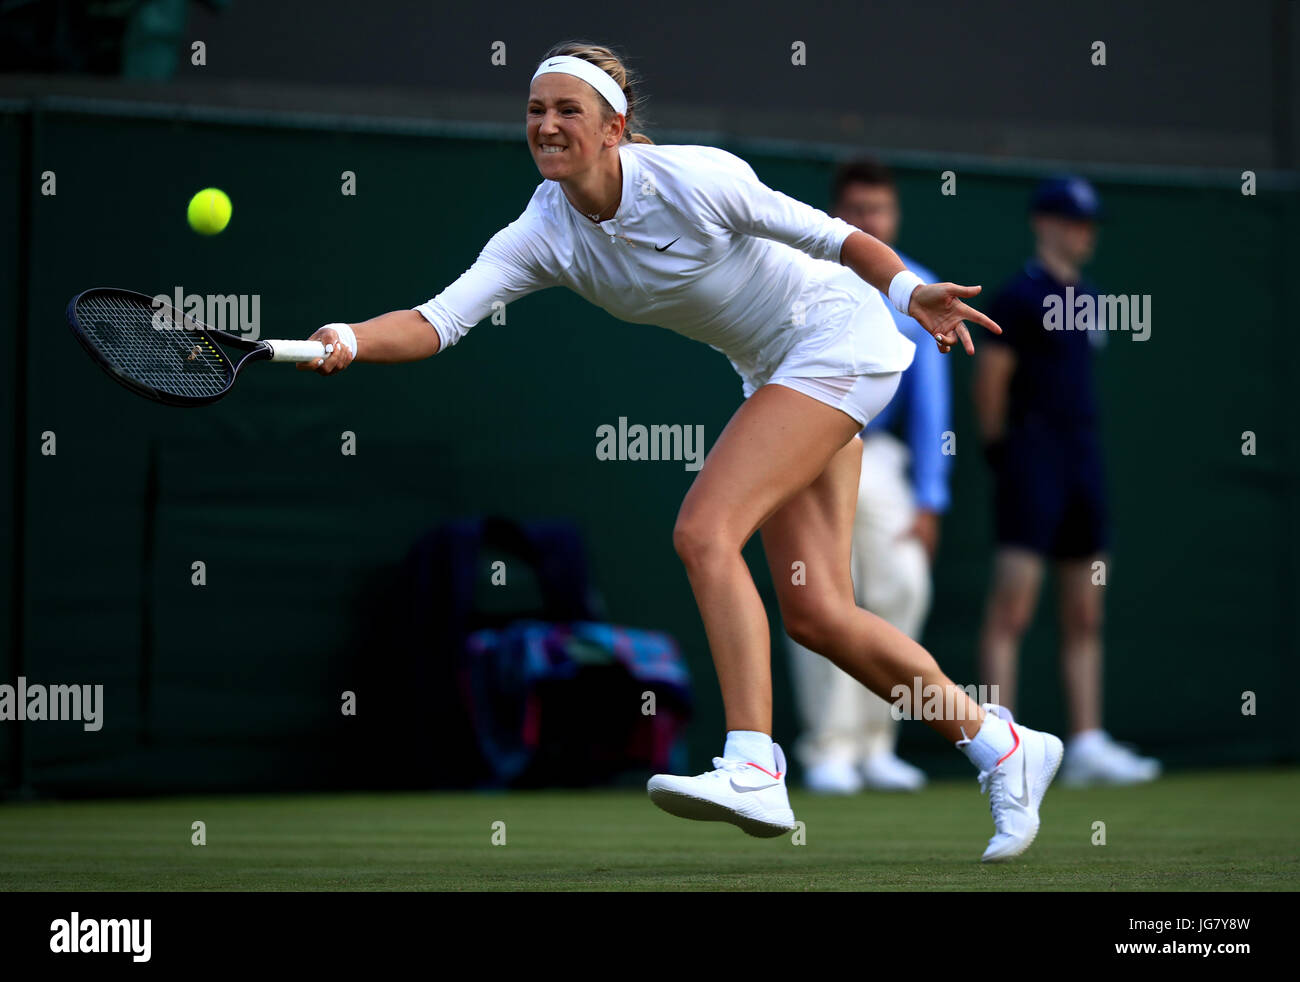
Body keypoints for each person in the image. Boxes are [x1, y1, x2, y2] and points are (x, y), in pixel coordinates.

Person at [302, 40, 1062, 861]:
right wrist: (348, 337)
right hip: (776, 369)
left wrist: (912, 293)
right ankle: (1004, 748)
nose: (547, 125)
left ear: (613, 127)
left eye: (567, 111)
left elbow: (835, 235)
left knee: (705, 532)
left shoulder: (694, 179)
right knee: (818, 613)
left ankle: (753, 764)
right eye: (536, 110)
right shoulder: (542, 230)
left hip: (836, 336)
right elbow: (436, 321)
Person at [973, 177, 1160, 787]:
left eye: (1090, 224)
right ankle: (1001, 749)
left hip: (1083, 462)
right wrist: (1005, 453)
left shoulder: (1092, 298)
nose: (1085, 234)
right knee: (1012, 608)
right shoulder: (1018, 297)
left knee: (1085, 611)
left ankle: (1086, 744)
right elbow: (990, 383)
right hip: (1031, 462)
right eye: (1074, 222)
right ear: (1044, 223)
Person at [786, 161, 950, 794]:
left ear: (894, 215)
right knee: (821, 593)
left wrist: (930, 498)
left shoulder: (921, 288)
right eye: (856, 209)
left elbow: (932, 405)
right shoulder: (802, 273)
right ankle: (828, 749)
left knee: (903, 584)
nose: (869, 220)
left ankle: (877, 745)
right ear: (836, 214)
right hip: (807, 447)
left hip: (879, 456)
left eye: (878, 209)